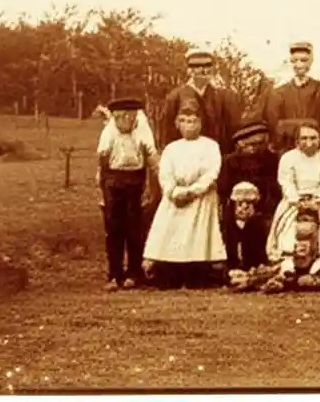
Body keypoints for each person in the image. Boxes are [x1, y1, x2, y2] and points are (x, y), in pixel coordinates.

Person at [143, 103, 227, 289]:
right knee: (171, 232)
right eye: (184, 121)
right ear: (177, 124)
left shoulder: (210, 146)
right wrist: (174, 192)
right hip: (175, 196)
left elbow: (212, 172)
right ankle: (170, 273)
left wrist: (193, 191)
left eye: (193, 121)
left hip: (200, 196)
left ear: (200, 123)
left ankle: (197, 274)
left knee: (198, 234)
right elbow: (165, 173)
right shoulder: (172, 149)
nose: (189, 126)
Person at [96, 97, 157, 291]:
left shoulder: (142, 129)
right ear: (116, 118)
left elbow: (151, 157)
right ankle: (114, 273)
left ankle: (134, 273)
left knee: (135, 228)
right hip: (113, 180)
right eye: (124, 117)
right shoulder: (109, 133)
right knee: (113, 228)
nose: (129, 121)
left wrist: (154, 182)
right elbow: (102, 161)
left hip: (136, 179)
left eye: (132, 117)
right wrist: (103, 189)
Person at [266, 122, 320, 280]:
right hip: (294, 200)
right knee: (286, 226)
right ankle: (287, 265)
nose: (309, 142)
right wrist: (297, 200)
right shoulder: (288, 158)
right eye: (304, 138)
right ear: (297, 141)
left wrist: (318, 200)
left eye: (313, 138)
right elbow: (286, 181)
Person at [159, 49, 242, 155]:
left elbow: (232, 130)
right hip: (185, 157)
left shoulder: (223, 97)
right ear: (189, 70)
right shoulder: (175, 97)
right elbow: (167, 133)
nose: (203, 70)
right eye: (197, 66)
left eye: (207, 66)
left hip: (216, 157)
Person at [265, 42, 320, 154]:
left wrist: (289, 126)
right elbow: (275, 125)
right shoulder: (279, 92)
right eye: (294, 61)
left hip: (314, 149)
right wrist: (307, 123)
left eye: (303, 60)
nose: (299, 65)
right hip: (287, 149)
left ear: (310, 62)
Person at [218, 120, 281, 219]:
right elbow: (223, 188)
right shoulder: (231, 161)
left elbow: (274, 186)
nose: (253, 148)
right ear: (240, 143)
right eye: (250, 144)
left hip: (265, 208)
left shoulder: (271, 159)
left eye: (259, 144)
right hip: (236, 208)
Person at [222, 181, 270, 283]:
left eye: (248, 204)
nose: (243, 208)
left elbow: (261, 252)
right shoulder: (228, 227)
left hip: (252, 268)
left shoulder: (258, 227)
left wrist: (259, 266)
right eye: (239, 204)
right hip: (232, 268)